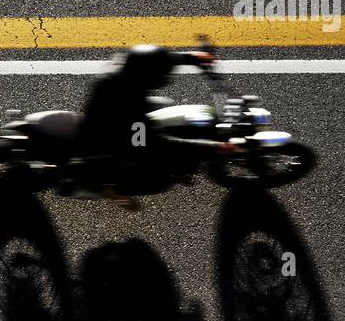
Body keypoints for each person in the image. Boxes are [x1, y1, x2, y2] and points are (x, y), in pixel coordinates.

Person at [74, 44, 235, 208]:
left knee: (165, 106)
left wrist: (193, 58)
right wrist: (212, 147)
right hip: (112, 137)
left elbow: (155, 61)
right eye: (160, 75)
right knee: (160, 177)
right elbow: (156, 143)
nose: (165, 77)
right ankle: (114, 188)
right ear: (149, 77)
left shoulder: (127, 70)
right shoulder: (129, 103)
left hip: (113, 117)